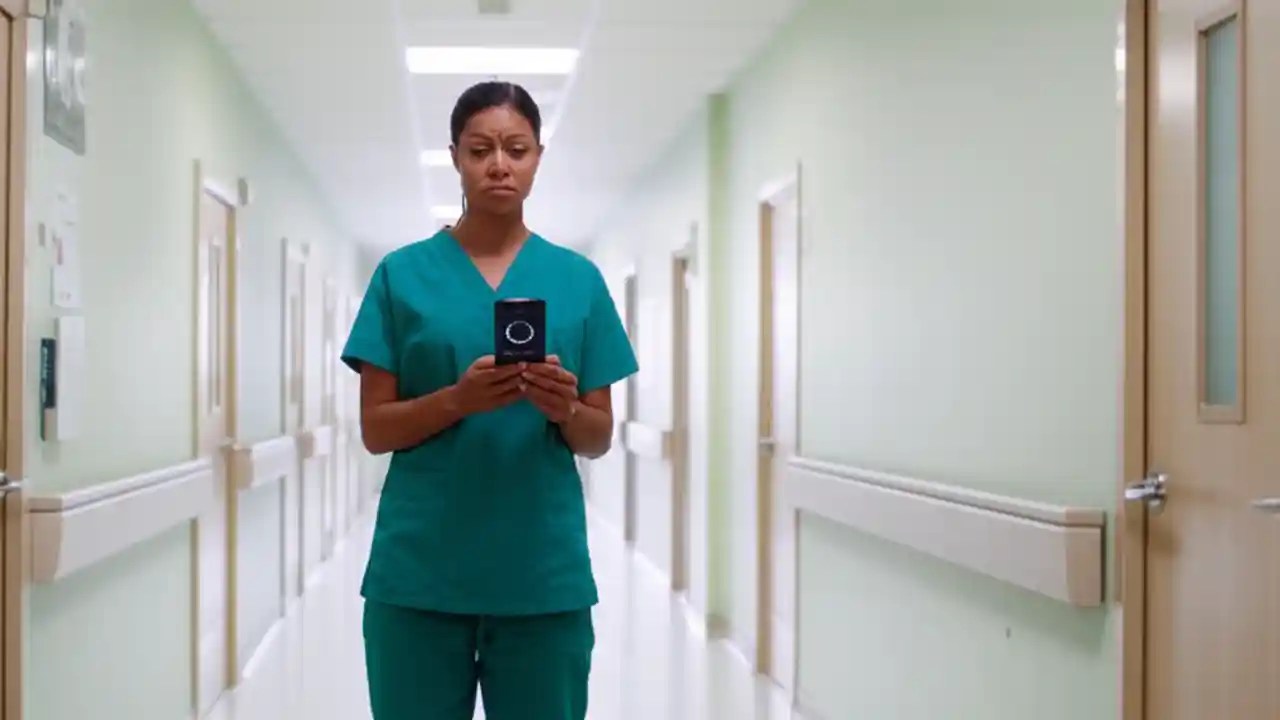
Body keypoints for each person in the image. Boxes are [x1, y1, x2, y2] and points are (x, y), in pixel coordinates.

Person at [341, 80, 638, 720]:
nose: (498, 164)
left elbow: (598, 435)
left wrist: (563, 409)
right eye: (480, 150)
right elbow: (375, 429)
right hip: (420, 576)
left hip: (541, 577)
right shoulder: (401, 275)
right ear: (455, 157)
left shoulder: (578, 281)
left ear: (537, 157)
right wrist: (458, 399)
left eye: (516, 148)